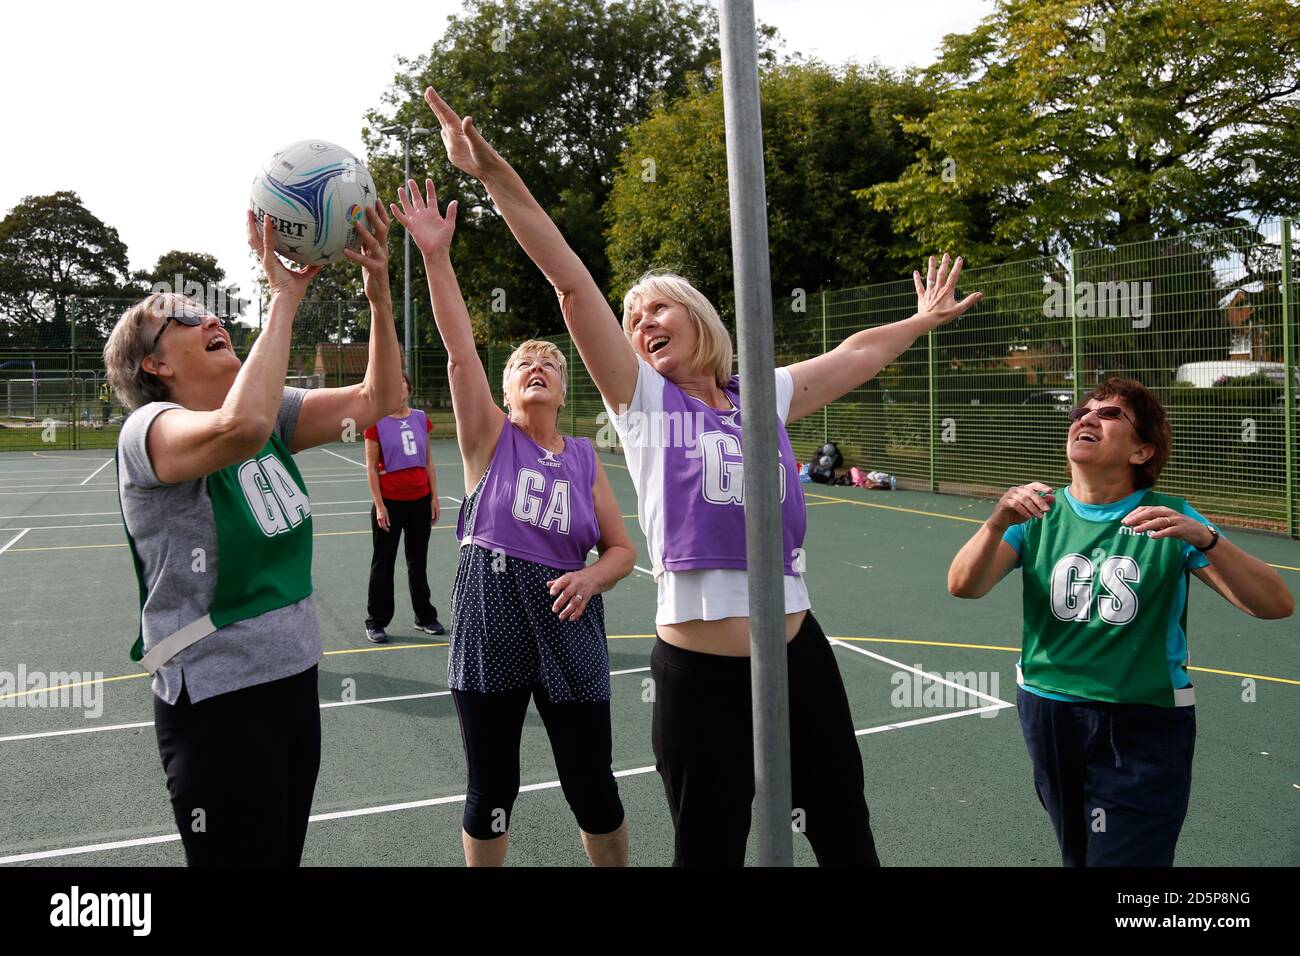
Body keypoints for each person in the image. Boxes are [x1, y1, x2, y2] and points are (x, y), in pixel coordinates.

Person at [419, 87, 983, 865]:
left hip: (796, 654)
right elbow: (571, 282)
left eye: (658, 310)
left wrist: (919, 320)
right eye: (634, 319)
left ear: (700, 318)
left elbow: (855, 355)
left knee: (846, 833)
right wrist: (491, 175)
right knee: (708, 848)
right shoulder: (641, 403)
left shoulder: (763, 395)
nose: (643, 323)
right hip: (698, 673)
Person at [104, 205, 404, 866]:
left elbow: (378, 402)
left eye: (203, 309)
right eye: (179, 318)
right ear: (155, 365)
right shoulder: (149, 430)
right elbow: (237, 429)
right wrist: (284, 299)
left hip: (294, 682)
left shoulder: (267, 410)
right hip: (216, 703)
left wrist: (380, 299)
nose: (207, 317)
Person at [388, 175, 636, 866]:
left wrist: (591, 578)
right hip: (490, 615)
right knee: (492, 786)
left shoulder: (586, 458)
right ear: (502, 387)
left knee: (593, 785)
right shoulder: (489, 440)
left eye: (551, 362)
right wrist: (437, 256)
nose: (538, 365)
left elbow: (621, 550)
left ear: (565, 387)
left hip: (567, 619)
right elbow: (460, 348)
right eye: (525, 361)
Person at [948, 378, 1294, 866]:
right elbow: (964, 585)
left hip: (1142, 719)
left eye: (1109, 415)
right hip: (1050, 710)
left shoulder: (1169, 518)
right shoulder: (1036, 512)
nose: (1086, 418)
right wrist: (996, 522)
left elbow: (1275, 604)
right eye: (1082, 412)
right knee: (1080, 854)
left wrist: (1207, 539)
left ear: (1141, 451)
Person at [363, 369, 445, 643]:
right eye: (392, 387)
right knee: (383, 565)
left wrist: (434, 497)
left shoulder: (421, 419)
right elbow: (372, 468)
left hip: (419, 502)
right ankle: (376, 621)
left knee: (417, 562)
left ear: (408, 389)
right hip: (390, 504)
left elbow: (428, 462)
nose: (398, 391)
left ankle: (424, 617)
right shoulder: (376, 422)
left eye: (402, 386)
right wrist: (380, 505)